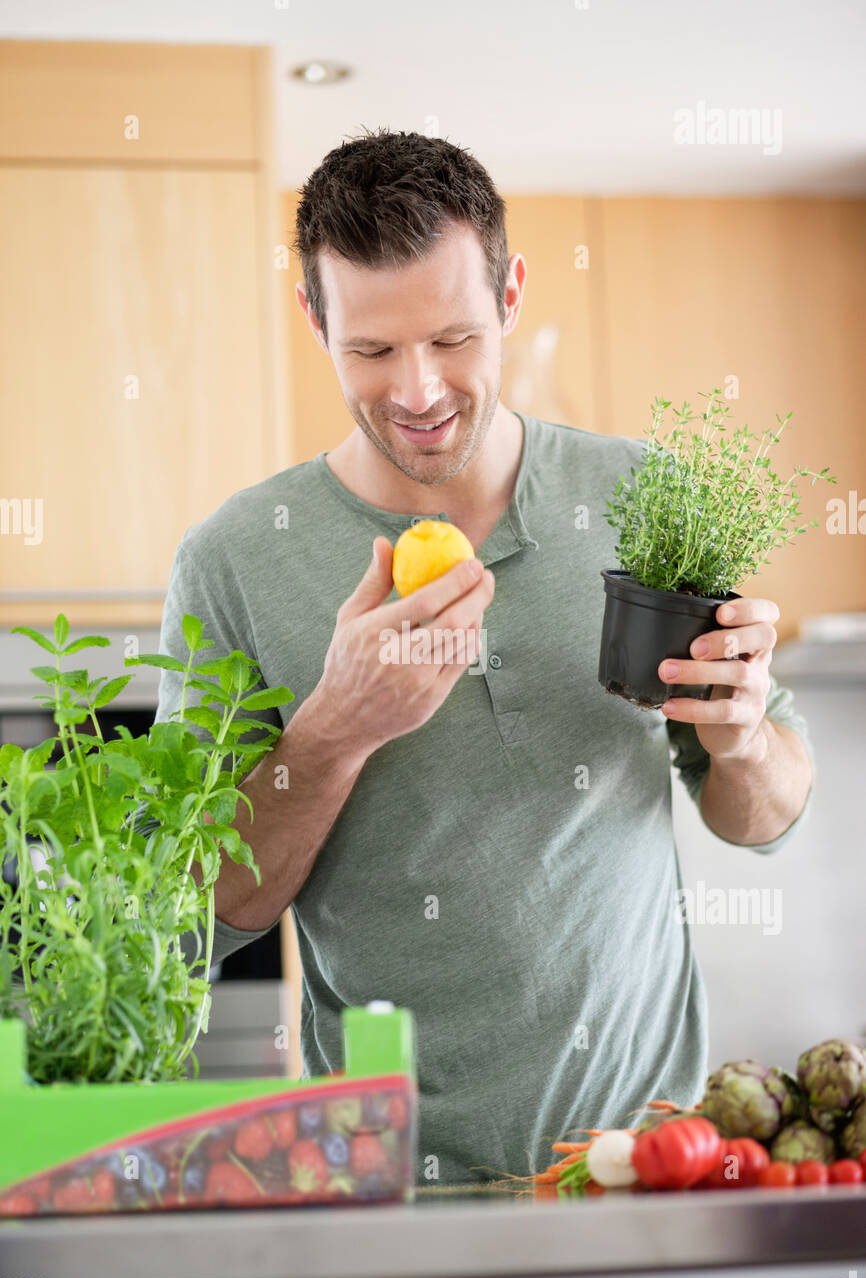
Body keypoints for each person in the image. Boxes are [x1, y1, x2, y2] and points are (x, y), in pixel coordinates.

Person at [155, 130, 815, 1185]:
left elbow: (766, 817)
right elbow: (207, 909)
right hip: (386, 1188)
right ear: (313, 320)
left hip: (647, 1164)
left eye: (452, 338)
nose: (416, 391)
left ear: (510, 295)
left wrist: (739, 739)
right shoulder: (232, 560)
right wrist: (333, 732)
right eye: (370, 351)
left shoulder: (650, 500)